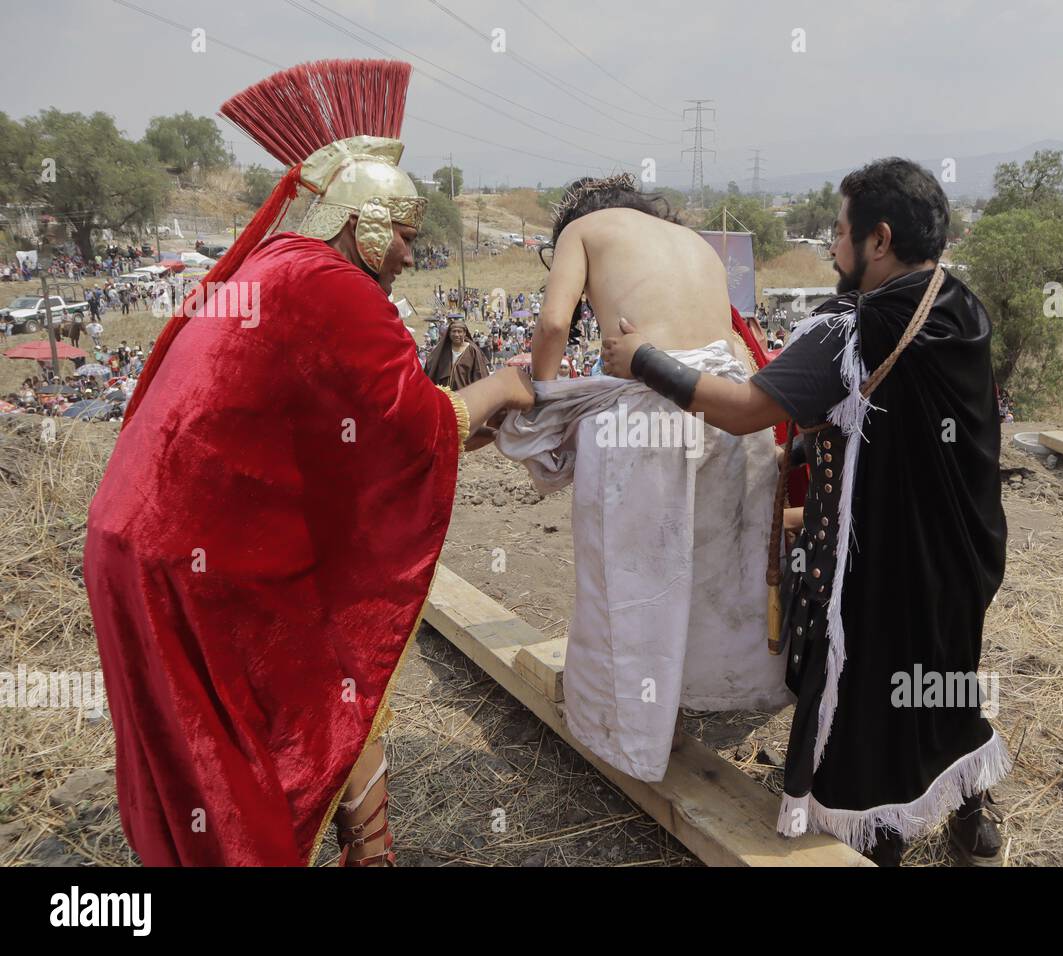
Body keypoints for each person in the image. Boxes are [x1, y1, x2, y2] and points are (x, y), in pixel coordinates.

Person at [83, 59, 534, 868]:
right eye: (401, 232)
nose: (407, 255)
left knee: (280, 705)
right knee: (230, 766)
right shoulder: (330, 286)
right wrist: (504, 388)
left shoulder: (276, 270)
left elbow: (365, 441)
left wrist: (479, 426)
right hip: (192, 566)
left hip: (137, 543)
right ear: (357, 218)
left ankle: (369, 844)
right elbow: (410, 422)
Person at [602, 158, 1010, 864]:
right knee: (943, 677)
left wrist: (640, 358)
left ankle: (874, 836)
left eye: (840, 231)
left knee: (866, 705)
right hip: (961, 555)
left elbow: (743, 411)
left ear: (878, 240)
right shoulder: (958, 305)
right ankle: (969, 807)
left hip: (878, 573)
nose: (832, 245)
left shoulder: (849, 334)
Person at [495, 173, 789, 783]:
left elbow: (552, 326)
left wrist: (547, 400)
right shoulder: (697, 244)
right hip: (724, 405)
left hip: (647, 407)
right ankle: (695, 697)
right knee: (709, 567)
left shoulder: (585, 229)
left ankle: (630, 737)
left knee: (630, 575)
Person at [423, 319, 490, 389]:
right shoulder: (443, 349)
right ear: (449, 333)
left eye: (459, 332)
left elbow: (480, 374)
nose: (456, 334)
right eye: (454, 331)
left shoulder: (473, 350)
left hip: (464, 394)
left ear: (465, 333)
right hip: (444, 394)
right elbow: (431, 365)